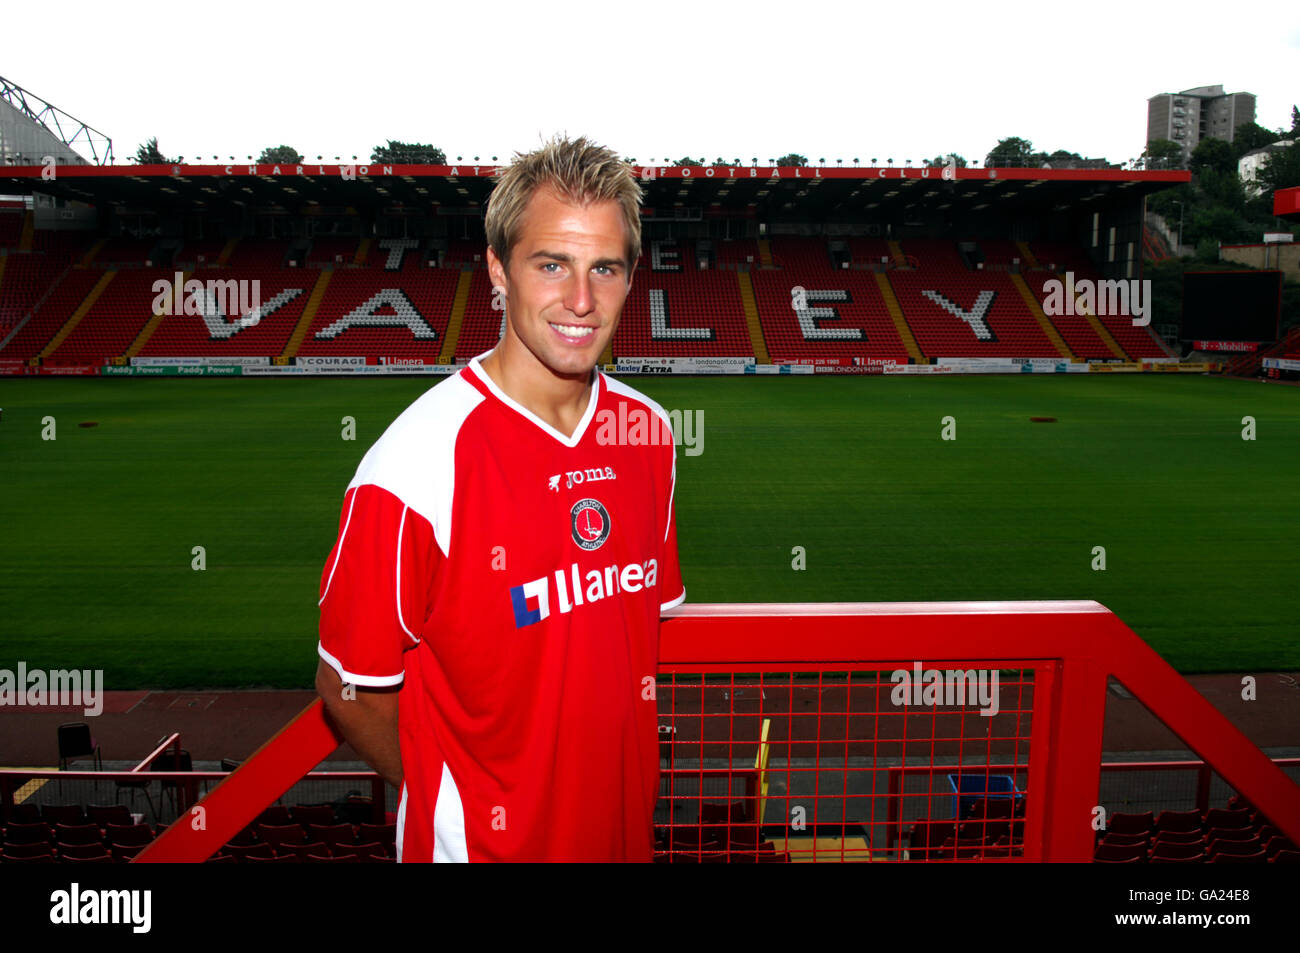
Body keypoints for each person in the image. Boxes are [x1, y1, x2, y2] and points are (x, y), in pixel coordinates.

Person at [315, 135, 685, 862]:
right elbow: (348, 688)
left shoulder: (648, 430)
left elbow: (641, 635)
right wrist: (453, 793)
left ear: (631, 277)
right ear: (498, 269)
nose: (581, 300)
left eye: (604, 268)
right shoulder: (412, 464)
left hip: (621, 839)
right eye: (552, 264)